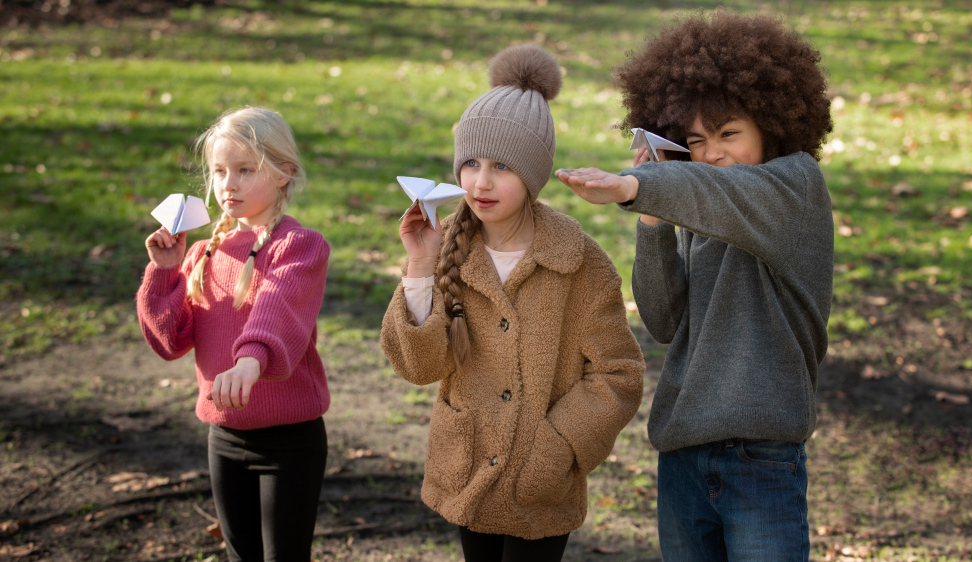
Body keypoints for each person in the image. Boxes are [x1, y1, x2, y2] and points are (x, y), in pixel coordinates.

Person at [556, 11, 835, 561]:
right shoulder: (697, 211)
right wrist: (654, 222)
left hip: (761, 458)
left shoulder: (796, 185)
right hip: (683, 455)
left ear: (773, 124)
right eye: (696, 141)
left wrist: (639, 184)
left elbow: (714, 192)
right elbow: (662, 321)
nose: (713, 153)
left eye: (729, 133)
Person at [380, 44, 645, 562]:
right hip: (467, 467)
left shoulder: (579, 262)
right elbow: (418, 366)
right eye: (471, 163)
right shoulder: (446, 248)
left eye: (502, 165)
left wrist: (559, 445)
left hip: (540, 484)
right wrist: (418, 267)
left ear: (533, 173)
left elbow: (620, 373)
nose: (481, 182)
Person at [137, 107, 330, 562]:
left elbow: (277, 305)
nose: (229, 183)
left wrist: (250, 359)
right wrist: (164, 274)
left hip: (290, 441)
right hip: (223, 437)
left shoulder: (300, 246)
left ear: (284, 174)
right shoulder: (204, 251)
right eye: (220, 171)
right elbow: (170, 341)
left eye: (246, 170)